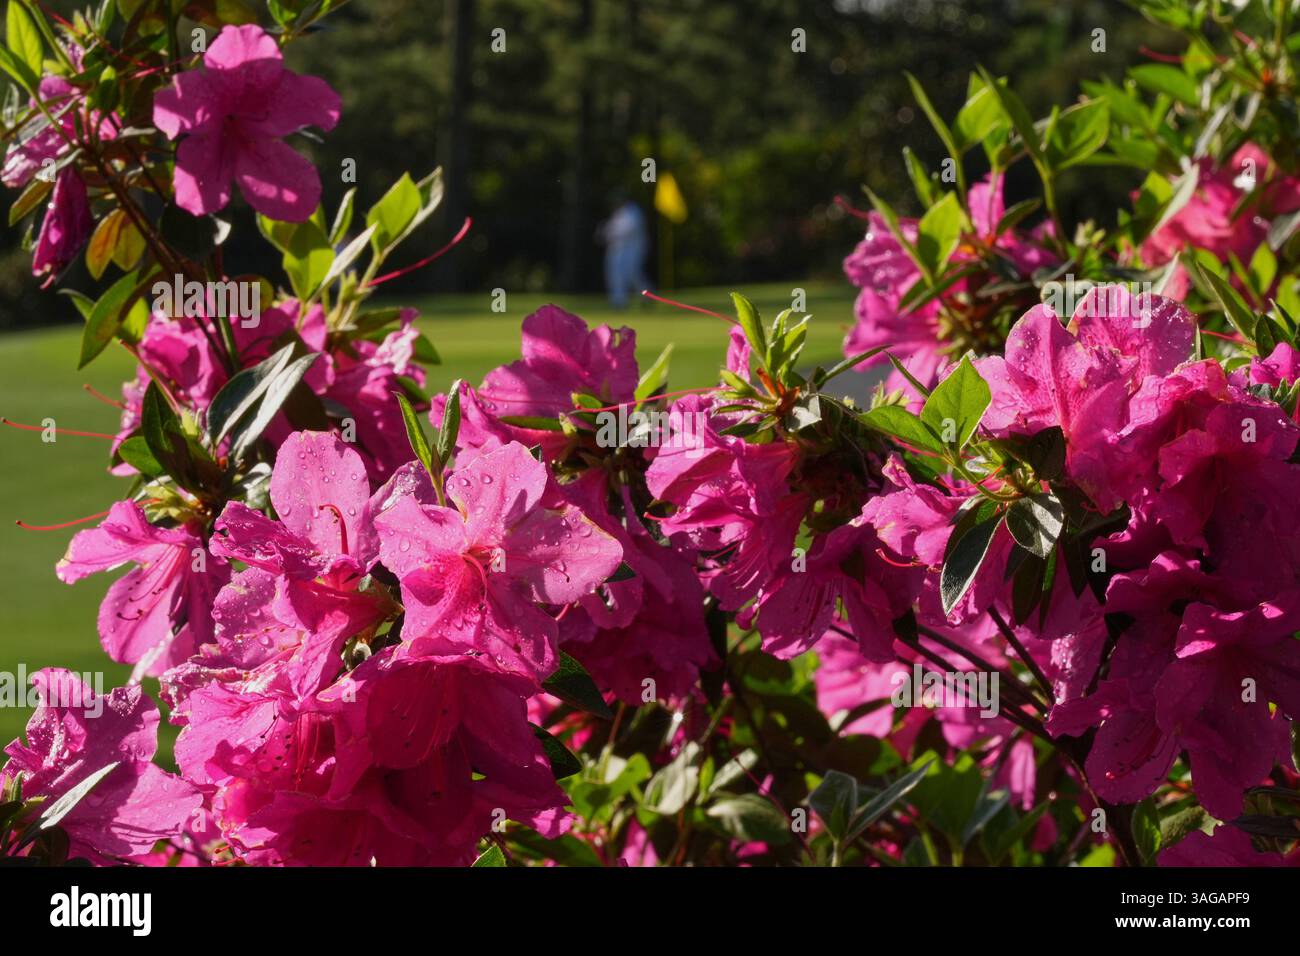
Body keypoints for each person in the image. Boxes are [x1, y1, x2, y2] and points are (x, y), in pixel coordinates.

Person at [600, 194, 650, 308]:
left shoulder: (633, 212)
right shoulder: (619, 212)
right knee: (615, 276)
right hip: (617, 250)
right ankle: (619, 301)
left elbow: (627, 230)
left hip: (632, 250)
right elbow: (611, 228)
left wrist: (608, 235)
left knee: (633, 275)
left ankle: (647, 297)